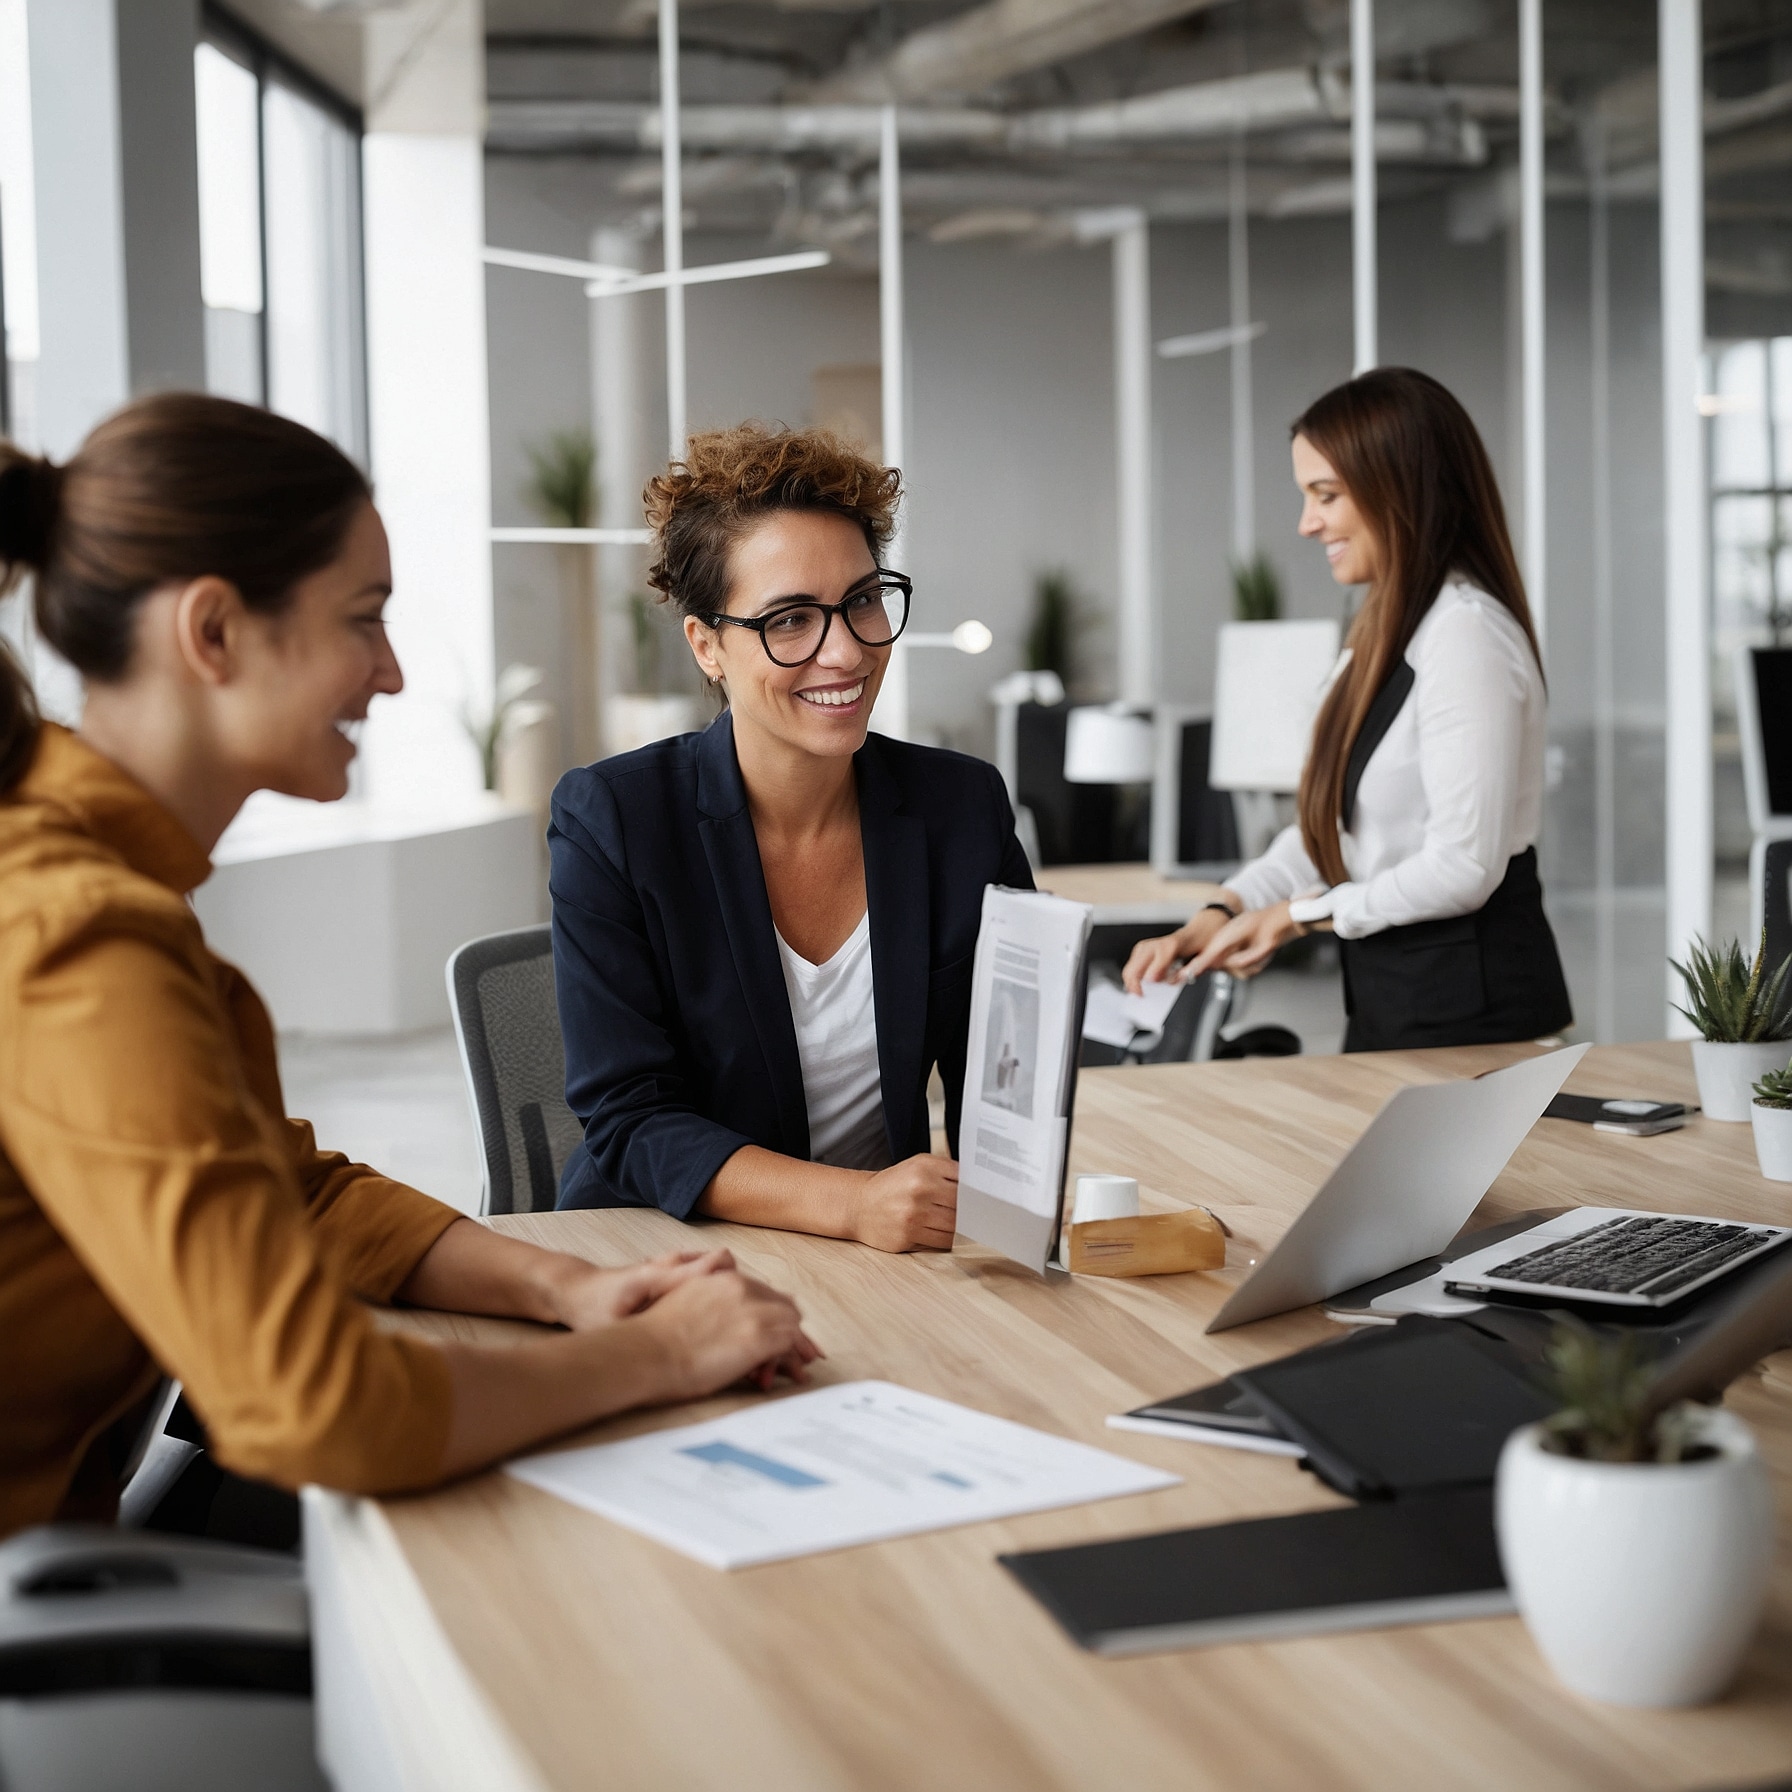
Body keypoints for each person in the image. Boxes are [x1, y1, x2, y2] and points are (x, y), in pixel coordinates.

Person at [0, 394, 817, 1542]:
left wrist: (566, 1288)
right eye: (363, 619)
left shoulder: (87, 879)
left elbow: (284, 1186)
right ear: (215, 632)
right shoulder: (73, 935)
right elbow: (313, 1404)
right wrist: (659, 1354)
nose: (387, 675)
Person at [551, 425, 1033, 1249]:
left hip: (887, 1265)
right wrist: (854, 1204)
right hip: (667, 1245)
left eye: (862, 601)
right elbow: (631, 1122)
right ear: (707, 645)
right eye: (790, 620)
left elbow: (1009, 1077)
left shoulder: (961, 807)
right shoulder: (615, 820)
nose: (844, 651)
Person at [1125, 367, 1572, 1051]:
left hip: (1477, 1024)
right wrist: (1223, 909)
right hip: (1395, 1008)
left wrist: (1296, 917)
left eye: (1325, 495)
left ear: (1399, 488)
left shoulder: (1466, 638)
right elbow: (1333, 835)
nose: (1307, 523)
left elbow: (1464, 868)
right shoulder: (1385, 632)